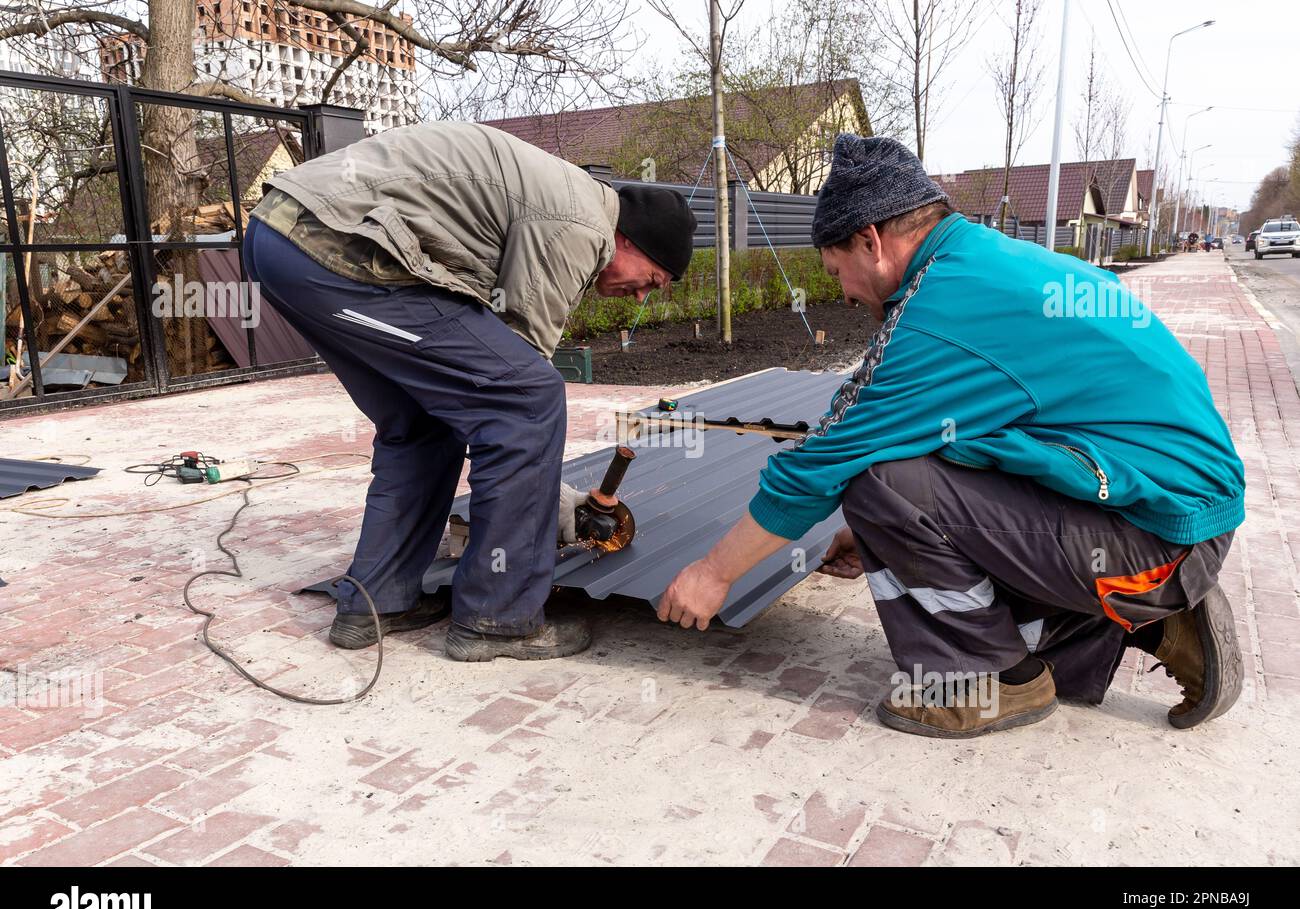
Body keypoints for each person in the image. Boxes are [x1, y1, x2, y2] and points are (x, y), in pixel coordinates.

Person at [657, 135, 1245, 738]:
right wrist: (876, 530)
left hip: (1155, 536)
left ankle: (992, 682)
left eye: (837, 271)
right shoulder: (983, 265)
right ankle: (1157, 622)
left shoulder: (941, 309)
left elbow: (824, 458)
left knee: (874, 479)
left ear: (871, 241)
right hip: (1166, 515)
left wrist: (714, 572)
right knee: (900, 473)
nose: (843, 292)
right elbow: (926, 424)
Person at [242, 121, 696, 662]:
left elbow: (483, 376)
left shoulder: (568, 203)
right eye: (653, 278)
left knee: (423, 423)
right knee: (531, 397)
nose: (642, 294)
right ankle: (498, 618)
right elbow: (519, 375)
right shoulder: (578, 223)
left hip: (286, 240)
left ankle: (377, 602)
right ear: (629, 240)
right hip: (336, 247)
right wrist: (552, 505)